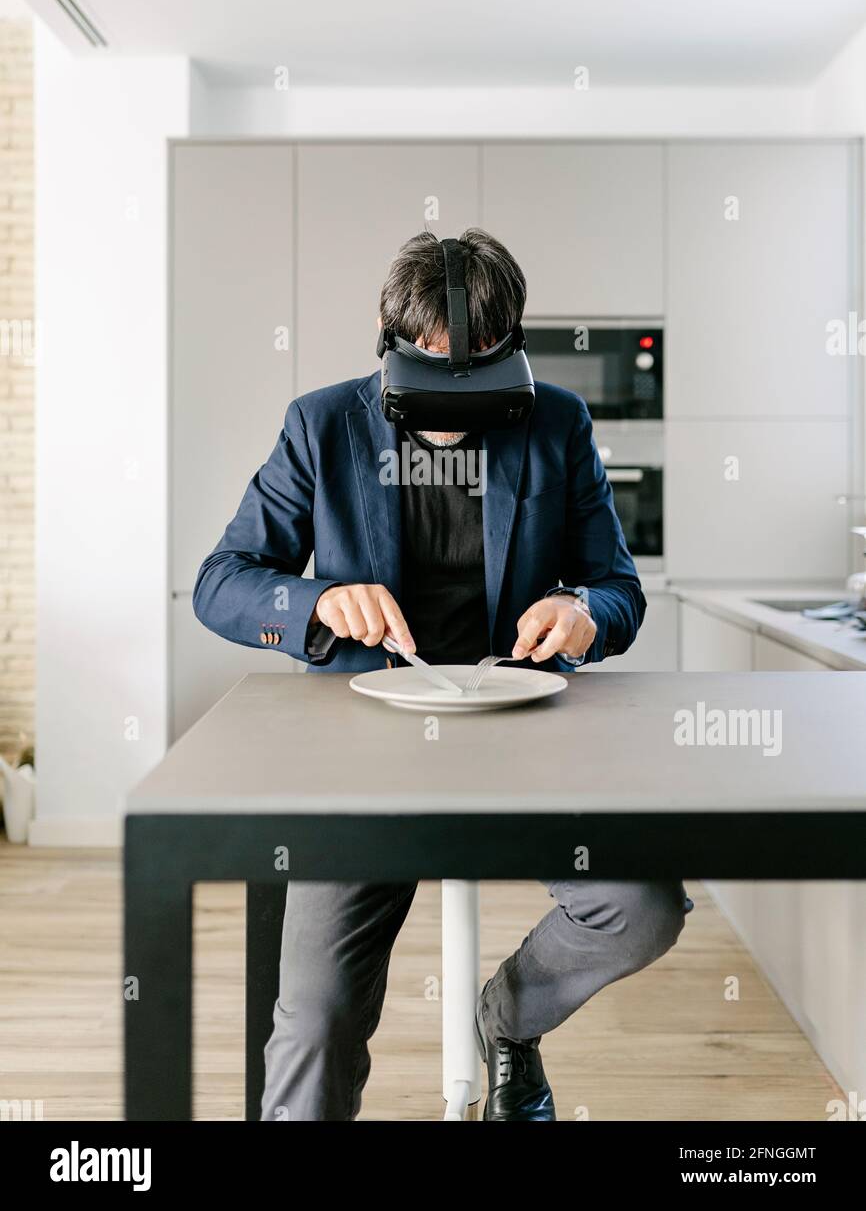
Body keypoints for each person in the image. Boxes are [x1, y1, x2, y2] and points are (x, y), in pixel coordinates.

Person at [193, 227, 692, 1121]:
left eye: (479, 374)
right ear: (389, 344)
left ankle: (507, 1020)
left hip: (524, 738)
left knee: (642, 907)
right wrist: (316, 603)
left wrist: (584, 611)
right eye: (430, 373)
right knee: (314, 1019)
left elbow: (620, 589)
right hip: (366, 752)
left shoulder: (557, 423)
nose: (453, 403)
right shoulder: (323, 424)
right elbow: (220, 583)